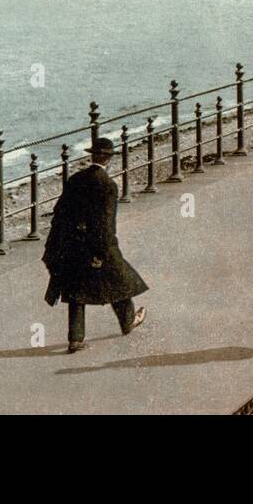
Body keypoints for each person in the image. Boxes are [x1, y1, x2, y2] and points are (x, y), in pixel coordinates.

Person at [42, 136, 148, 353]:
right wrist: (103, 251)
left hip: (73, 244)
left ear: (93, 156)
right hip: (97, 245)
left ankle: (75, 339)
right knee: (119, 278)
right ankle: (128, 321)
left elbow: (60, 211)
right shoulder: (108, 186)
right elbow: (106, 223)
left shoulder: (76, 179)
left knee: (76, 291)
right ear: (108, 159)